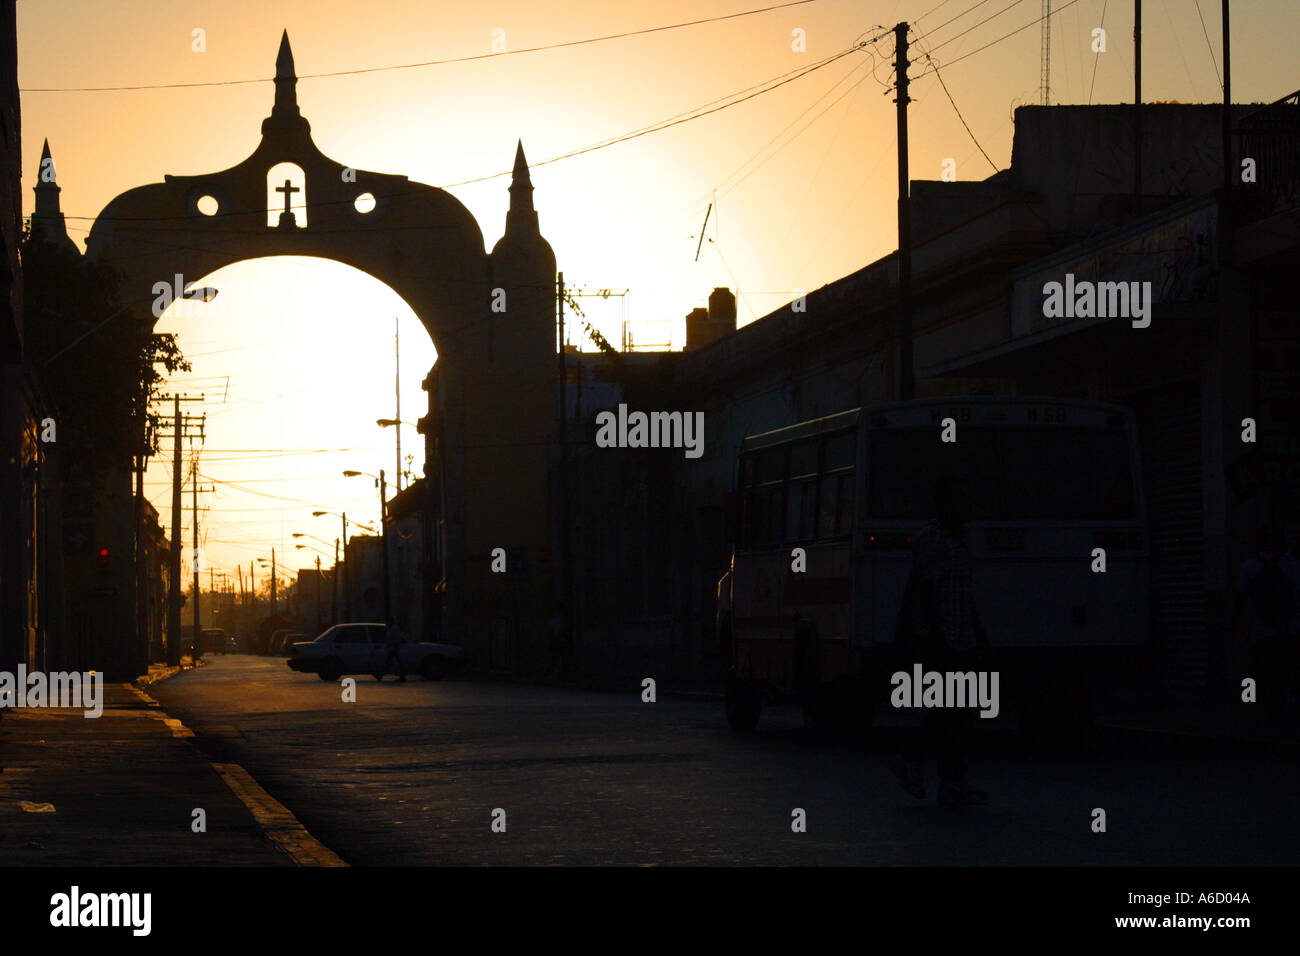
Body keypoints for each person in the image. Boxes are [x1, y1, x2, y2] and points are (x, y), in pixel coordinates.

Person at [890, 470, 990, 807]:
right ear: (944, 503)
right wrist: (934, 639)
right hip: (941, 638)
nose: (966, 505)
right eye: (959, 499)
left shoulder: (961, 538)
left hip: (961, 636)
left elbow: (963, 592)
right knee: (947, 710)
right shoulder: (931, 539)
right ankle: (912, 759)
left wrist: (978, 632)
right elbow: (926, 590)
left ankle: (951, 780)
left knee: (959, 711)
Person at [1233, 524, 1299, 717]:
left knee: (1262, 668)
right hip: (1287, 627)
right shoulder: (1292, 565)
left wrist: (1236, 624)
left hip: (1261, 628)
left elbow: (1241, 596)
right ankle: (1282, 706)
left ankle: (1260, 706)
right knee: (1284, 668)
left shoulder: (1250, 565)